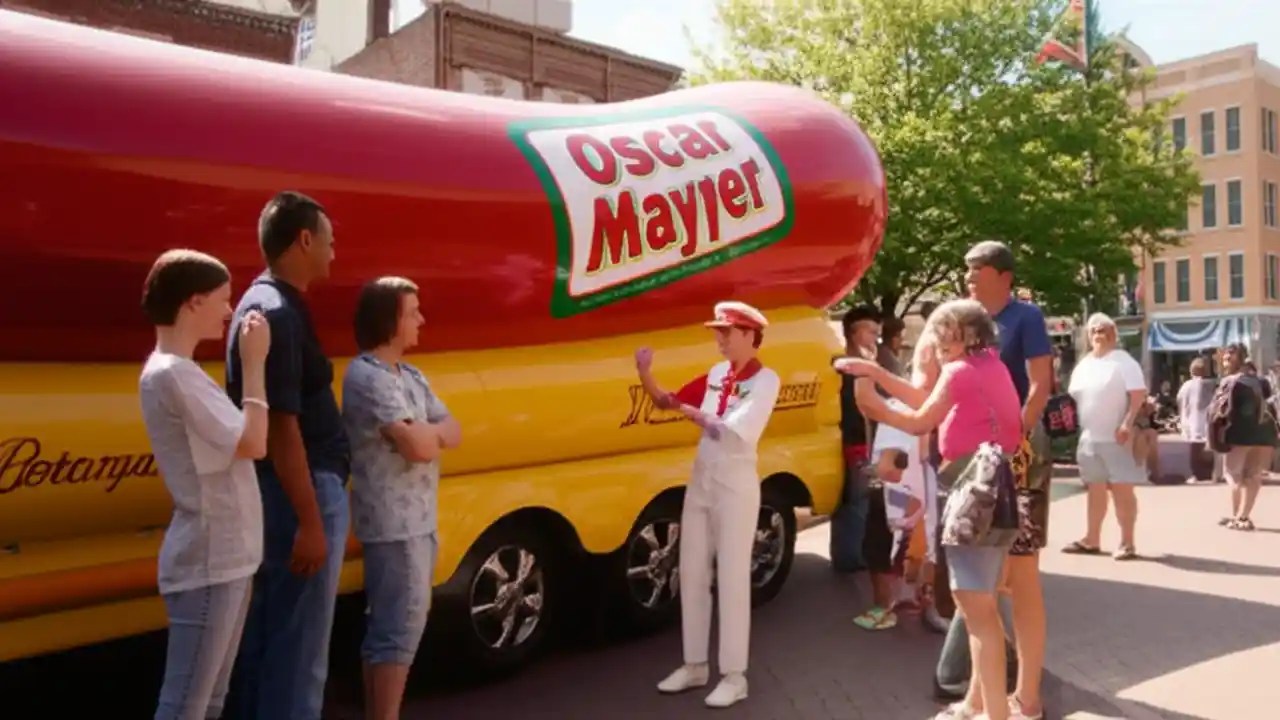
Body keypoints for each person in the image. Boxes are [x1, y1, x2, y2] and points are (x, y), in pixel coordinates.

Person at [837, 298, 1024, 720]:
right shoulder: (990, 366)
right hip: (996, 494)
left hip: (972, 496)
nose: (934, 342)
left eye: (941, 333)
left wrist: (872, 399)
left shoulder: (959, 371)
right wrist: (877, 374)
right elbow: (925, 398)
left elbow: (919, 419)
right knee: (982, 608)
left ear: (966, 334)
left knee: (976, 611)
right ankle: (977, 702)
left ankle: (995, 713)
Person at [226, 191, 351, 720]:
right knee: (300, 653)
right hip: (299, 493)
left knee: (273, 635)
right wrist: (310, 521)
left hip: (288, 494)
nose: (334, 251)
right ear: (304, 239)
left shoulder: (272, 305)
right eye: (329, 240)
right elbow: (282, 427)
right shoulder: (276, 312)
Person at [139, 250, 270, 720]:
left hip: (225, 557)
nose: (229, 311)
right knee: (187, 705)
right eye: (222, 299)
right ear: (193, 302)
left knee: (209, 700)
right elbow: (253, 441)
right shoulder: (173, 374)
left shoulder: (179, 371)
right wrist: (254, 364)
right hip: (210, 560)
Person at [636, 301, 781, 709]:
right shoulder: (717, 374)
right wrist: (645, 375)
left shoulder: (766, 380)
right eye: (718, 333)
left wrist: (689, 411)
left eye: (727, 333)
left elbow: (730, 430)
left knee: (732, 575)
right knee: (691, 569)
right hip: (702, 478)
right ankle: (694, 664)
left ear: (750, 335)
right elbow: (667, 401)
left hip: (735, 482)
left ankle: (735, 676)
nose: (720, 340)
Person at [342, 277, 462, 720]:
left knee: (400, 624)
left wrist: (427, 433)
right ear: (387, 320)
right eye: (412, 313)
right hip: (393, 524)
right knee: (399, 627)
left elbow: (453, 430)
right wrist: (427, 434)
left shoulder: (410, 375)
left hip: (419, 520)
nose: (421, 320)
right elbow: (420, 447)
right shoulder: (366, 376)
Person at [1060, 313, 1148, 560]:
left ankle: (1127, 542)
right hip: (1088, 439)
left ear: (1113, 334)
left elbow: (1138, 395)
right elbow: (1073, 399)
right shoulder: (1084, 365)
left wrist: (1127, 423)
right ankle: (1092, 539)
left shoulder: (1124, 361)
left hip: (1117, 437)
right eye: (1094, 331)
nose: (1099, 335)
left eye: (1104, 330)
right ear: (1088, 336)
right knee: (1095, 490)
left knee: (1122, 490)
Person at [830, 306, 883, 573]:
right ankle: (851, 558)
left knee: (852, 501)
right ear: (855, 332)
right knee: (858, 501)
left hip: (855, 440)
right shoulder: (850, 367)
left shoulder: (844, 364)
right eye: (871, 332)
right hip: (857, 441)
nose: (875, 338)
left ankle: (846, 555)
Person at [1209, 343, 1277, 531]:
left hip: (1239, 433)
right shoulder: (1262, 381)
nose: (1225, 362)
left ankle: (1236, 517)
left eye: (1227, 358)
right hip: (1264, 433)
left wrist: (1215, 434)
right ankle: (1244, 516)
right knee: (1254, 475)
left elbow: (1218, 410)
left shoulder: (1229, 381)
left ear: (1235, 359)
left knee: (1233, 475)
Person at [1177, 357, 1215, 481]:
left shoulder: (1186, 385)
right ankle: (1210, 473)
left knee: (1195, 449)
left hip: (1191, 421)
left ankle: (1197, 474)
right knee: (1210, 447)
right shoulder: (1211, 384)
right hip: (1207, 422)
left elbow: (1179, 400)